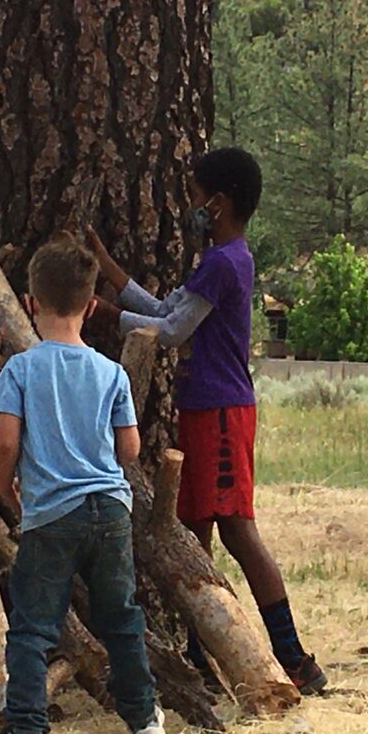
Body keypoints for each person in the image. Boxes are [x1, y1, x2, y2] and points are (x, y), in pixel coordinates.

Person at [87, 147, 328, 695]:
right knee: (193, 533)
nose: (191, 206)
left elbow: (171, 332)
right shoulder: (217, 261)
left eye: (197, 196)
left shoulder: (224, 262)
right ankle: (203, 658)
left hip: (221, 411)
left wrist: (103, 315)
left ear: (219, 202)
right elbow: (164, 311)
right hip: (205, 410)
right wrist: (105, 264)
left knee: (237, 530)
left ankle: (293, 659)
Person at [0, 236, 167, 734]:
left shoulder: (23, 370)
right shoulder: (111, 372)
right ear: (90, 304)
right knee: (122, 616)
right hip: (110, 508)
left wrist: (7, 484)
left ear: (32, 302)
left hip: (52, 514)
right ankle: (144, 719)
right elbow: (130, 448)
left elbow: (5, 442)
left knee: (33, 626)